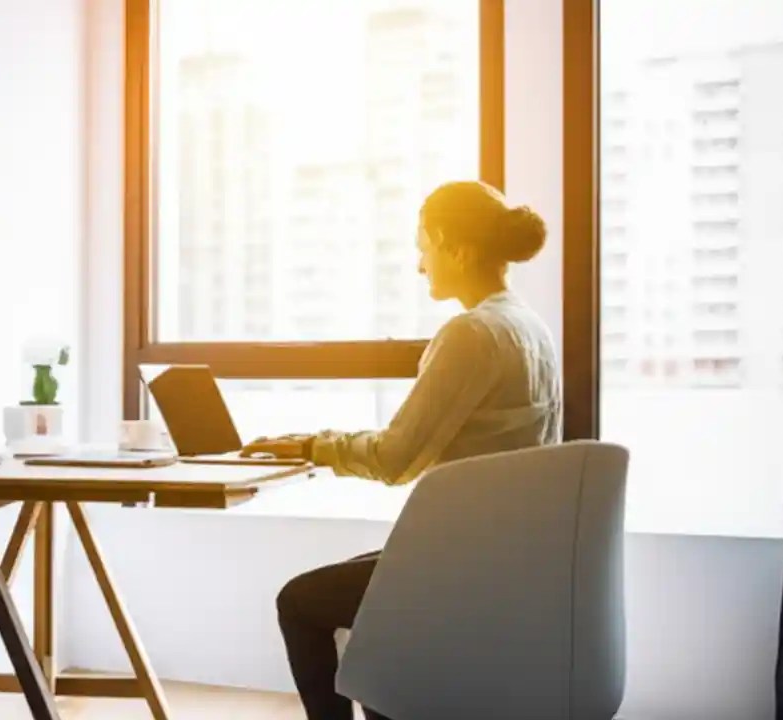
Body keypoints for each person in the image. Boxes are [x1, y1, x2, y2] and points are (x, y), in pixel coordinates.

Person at [241, 180, 562, 720]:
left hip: (459, 566)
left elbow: (395, 458)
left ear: (457, 249)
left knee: (299, 602)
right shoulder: (531, 328)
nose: (420, 265)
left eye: (424, 247)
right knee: (365, 598)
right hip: (510, 560)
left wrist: (311, 447)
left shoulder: (472, 333)